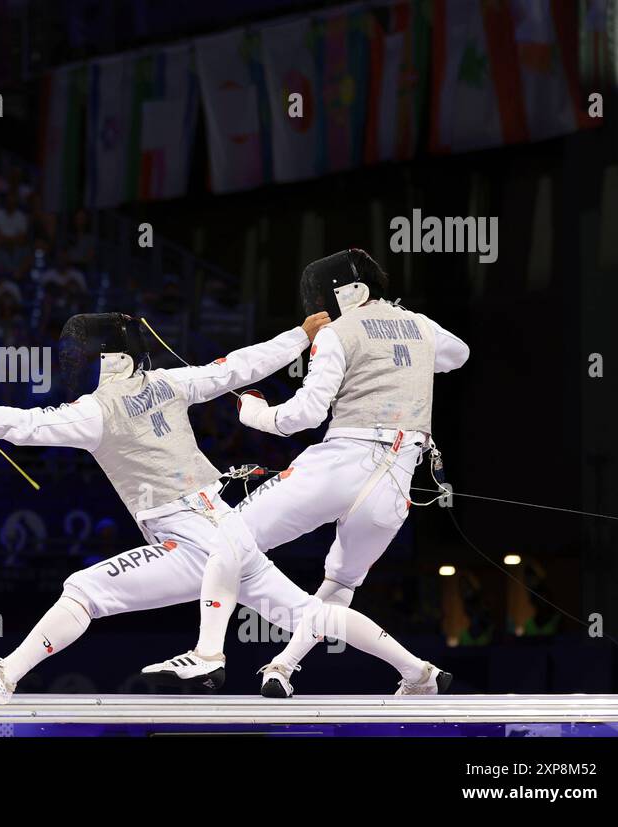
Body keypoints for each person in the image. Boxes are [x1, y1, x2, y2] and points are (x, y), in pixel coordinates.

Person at [0, 311, 449, 703]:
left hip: (194, 538)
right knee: (310, 614)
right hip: (227, 527)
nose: (76, 361)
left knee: (85, 589)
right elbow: (239, 366)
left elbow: (19, 425)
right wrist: (300, 336)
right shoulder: (171, 383)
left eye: (85, 354)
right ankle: (420, 673)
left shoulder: (94, 413)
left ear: (110, 359)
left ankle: (7, 674)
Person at [150, 249, 469, 696]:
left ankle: (207, 654)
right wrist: (403, 339)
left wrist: (255, 414)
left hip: (340, 465)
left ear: (349, 292)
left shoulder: (339, 333)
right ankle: (312, 668)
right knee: (339, 585)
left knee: (228, 538)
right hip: (396, 485)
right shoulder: (420, 325)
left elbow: (304, 414)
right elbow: (458, 354)